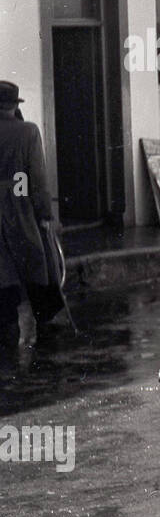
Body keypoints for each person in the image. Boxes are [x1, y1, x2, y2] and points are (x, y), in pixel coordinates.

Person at [0, 81, 55, 357]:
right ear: (14, 106)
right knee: (34, 263)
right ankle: (42, 326)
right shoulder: (28, 131)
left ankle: (8, 329)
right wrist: (44, 213)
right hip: (19, 207)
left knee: (3, 271)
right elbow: (37, 178)